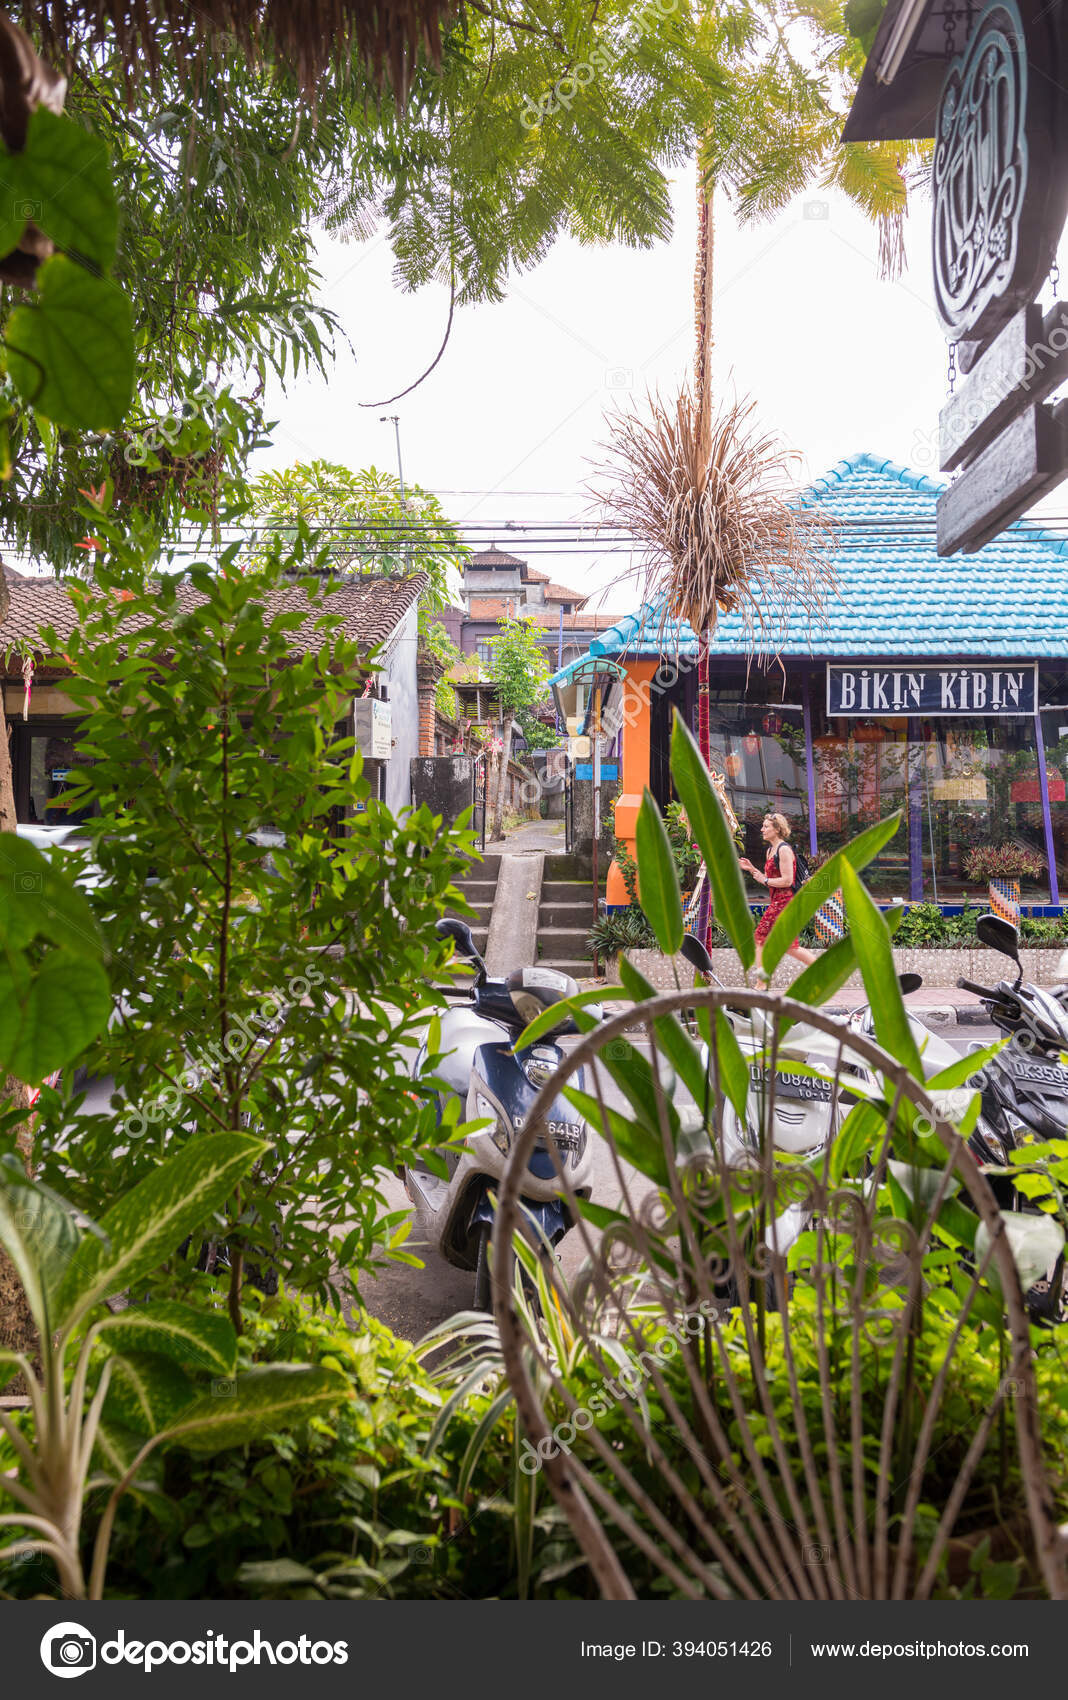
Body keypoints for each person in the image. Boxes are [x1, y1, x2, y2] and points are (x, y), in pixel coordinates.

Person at [739, 813, 817, 979]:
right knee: (789, 946)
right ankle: (824, 970)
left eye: (766, 826)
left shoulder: (784, 850)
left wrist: (765, 879)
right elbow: (769, 880)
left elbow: (787, 881)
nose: (762, 829)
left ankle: (761, 983)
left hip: (785, 901)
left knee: (759, 938)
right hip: (778, 901)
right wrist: (752, 869)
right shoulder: (770, 851)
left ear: (777, 829)